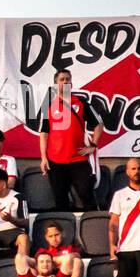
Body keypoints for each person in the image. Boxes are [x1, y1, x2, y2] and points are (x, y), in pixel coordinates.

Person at [38, 67, 102, 211]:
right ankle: (63, 230)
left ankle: (92, 226)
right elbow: (44, 133)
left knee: (86, 194)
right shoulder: (48, 105)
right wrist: (44, 157)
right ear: (56, 84)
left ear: (71, 83)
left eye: (68, 79)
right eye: (62, 79)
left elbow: (98, 124)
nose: (65, 82)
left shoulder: (81, 102)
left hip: (78, 159)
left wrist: (94, 145)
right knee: (60, 199)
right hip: (56, 161)